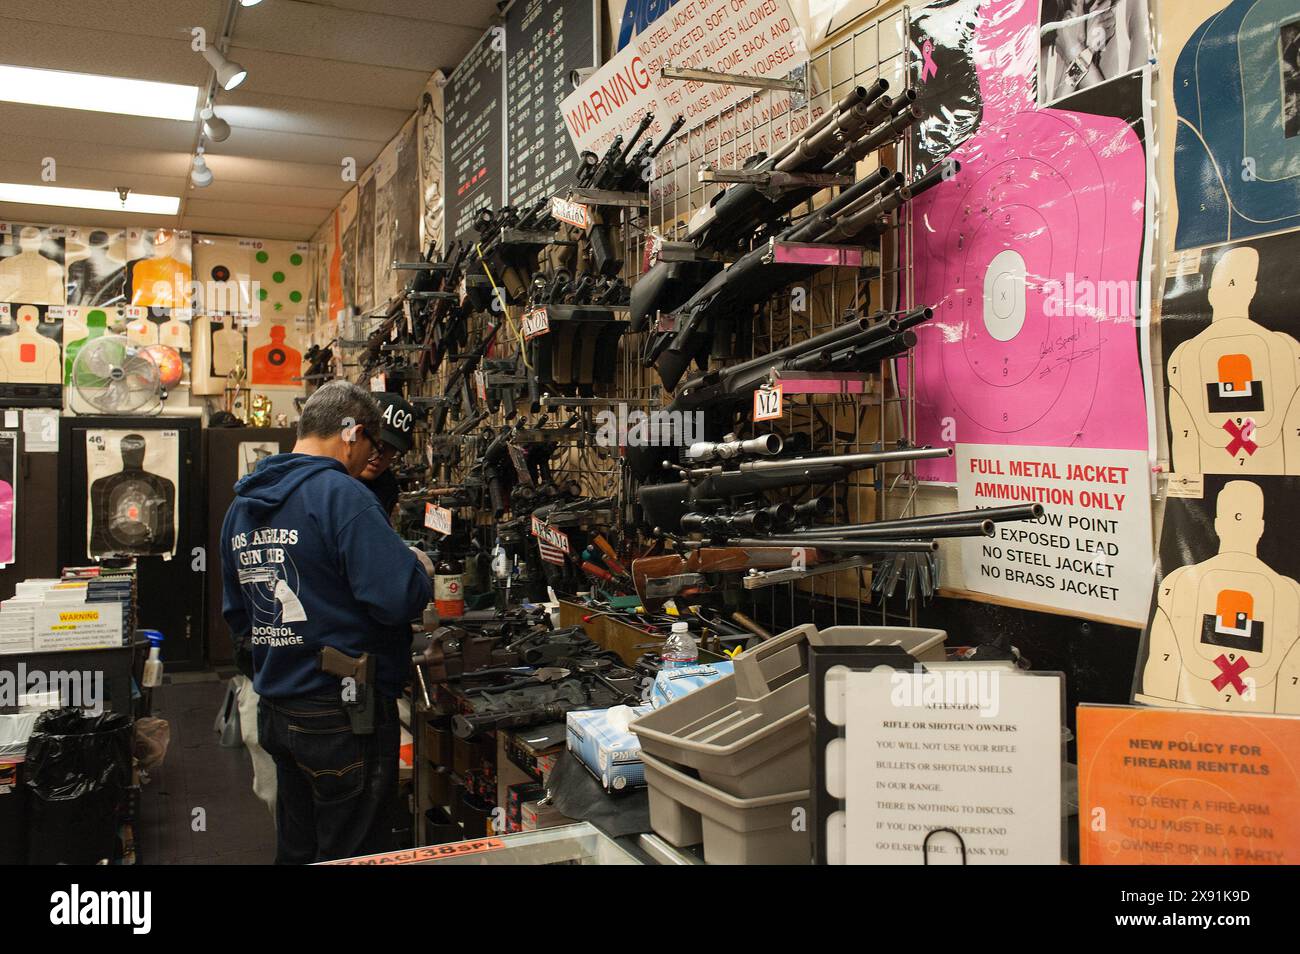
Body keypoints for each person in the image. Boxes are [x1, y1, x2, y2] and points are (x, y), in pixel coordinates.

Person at [220, 380, 432, 863]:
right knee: (351, 851)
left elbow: (237, 616)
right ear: (352, 433)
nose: (370, 461)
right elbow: (398, 597)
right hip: (341, 715)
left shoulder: (242, 506)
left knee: (297, 846)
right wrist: (416, 566)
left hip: (277, 704)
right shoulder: (341, 495)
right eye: (373, 447)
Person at [359, 392, 417, 522]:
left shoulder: (387, 487)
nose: (380, 454)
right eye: (376, 443)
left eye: (391, 448)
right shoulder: (330, 477)